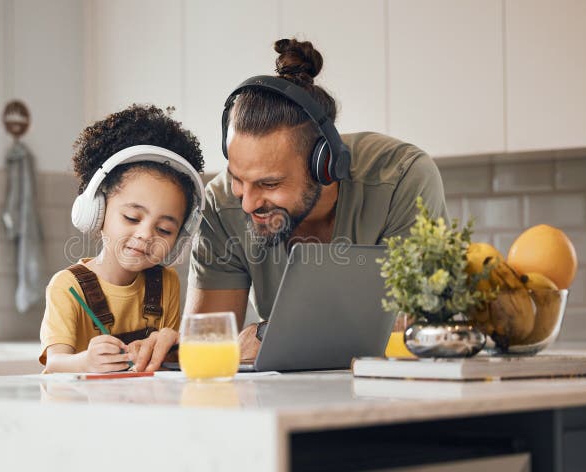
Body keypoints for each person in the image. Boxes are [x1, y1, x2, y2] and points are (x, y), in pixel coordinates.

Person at [185, 38, 449, 360]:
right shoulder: (221, 203)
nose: (248, 203)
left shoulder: (402, 178)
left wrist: (271, 332)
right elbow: (207, 345)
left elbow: (417, 326)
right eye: (238, 179)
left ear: (325, 166)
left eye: (270, 183)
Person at [39, 104, 205, 373]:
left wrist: (173, 344)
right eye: (131, 217)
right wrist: (85, 362)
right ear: (97, 210)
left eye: (164, 230)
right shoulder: (67, 287)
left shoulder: (167, 283)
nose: (146, 235)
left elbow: (166, 365)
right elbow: (55, 365)